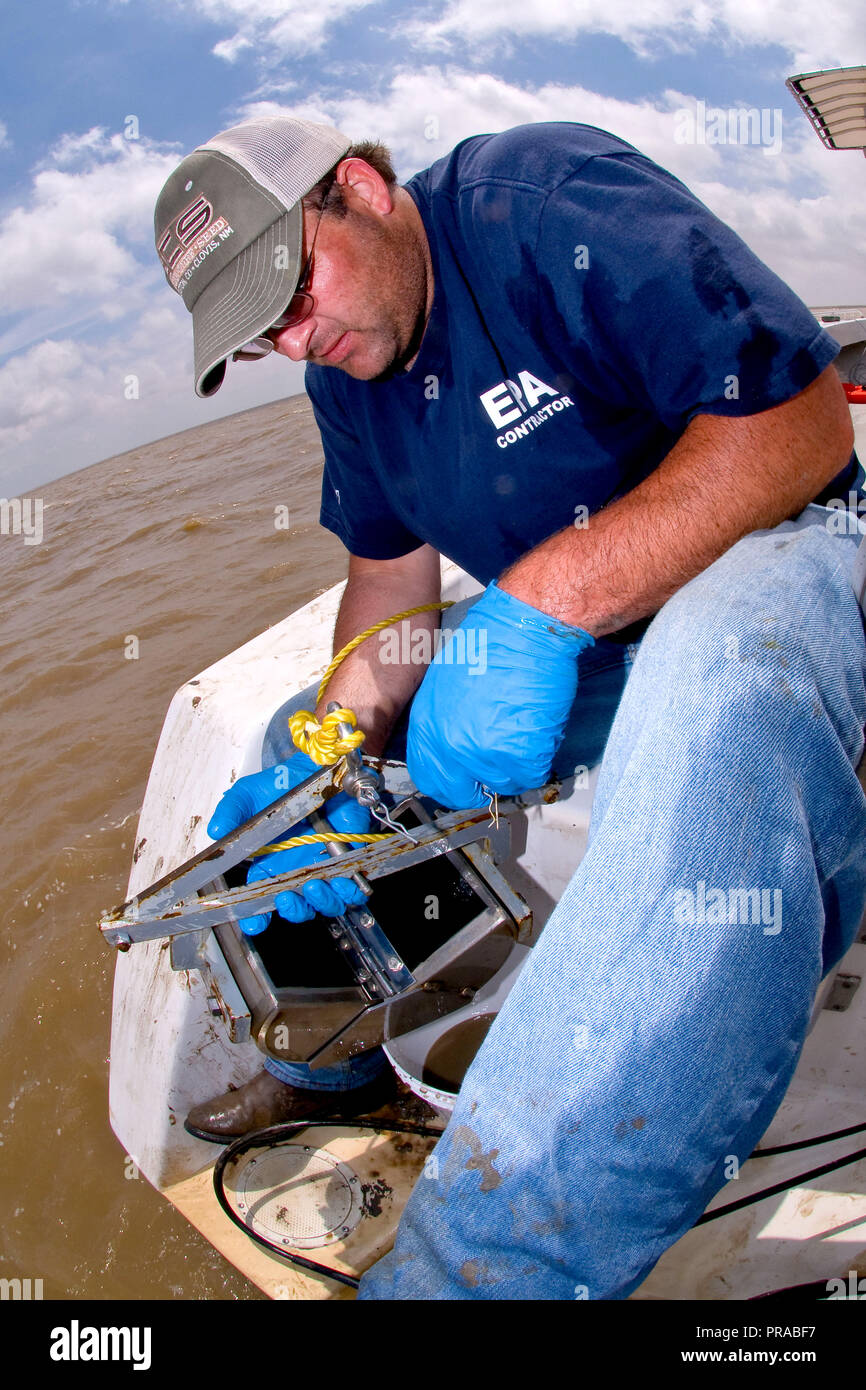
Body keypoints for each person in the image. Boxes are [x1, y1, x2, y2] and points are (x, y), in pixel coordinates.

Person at [153, 115, 866, 1298]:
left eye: (289, 287)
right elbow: (387, 584)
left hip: (777, 544)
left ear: (364, 190)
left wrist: (541, 601)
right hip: (582, 641)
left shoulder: (543, 201)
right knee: (304, 752)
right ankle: (337, 1068)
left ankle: (478, 1272)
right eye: (260, 332)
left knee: (715, 680)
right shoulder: (349, 366)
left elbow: (797, 423)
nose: (295, 337)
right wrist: (332, 753)